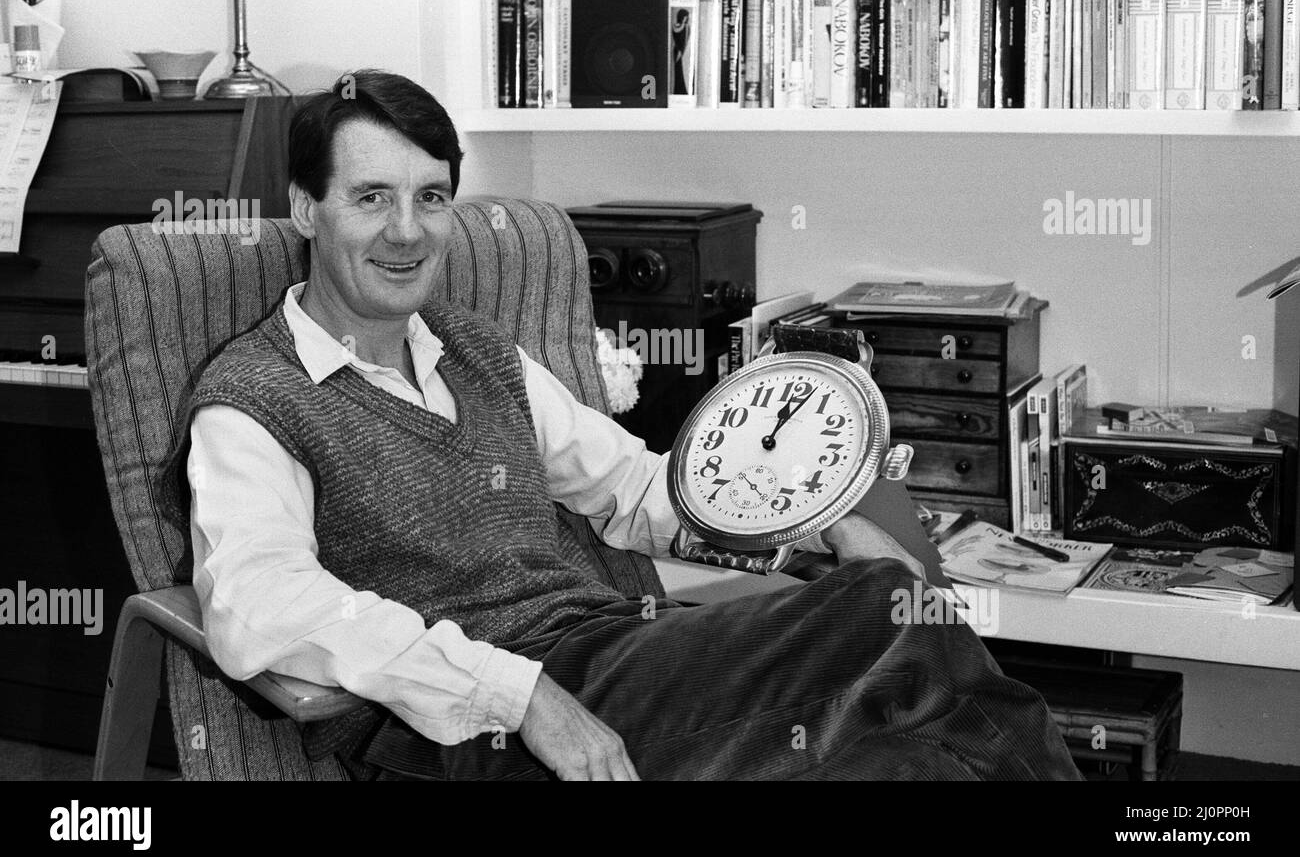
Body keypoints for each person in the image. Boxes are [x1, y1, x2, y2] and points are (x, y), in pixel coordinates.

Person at [160, 69, 1080, 781]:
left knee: (904, 758)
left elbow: (636, 489)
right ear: (304, 207)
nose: (408, 232)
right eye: (371, 198)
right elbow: (258, 606)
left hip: (608, 651)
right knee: (883, 603)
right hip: (460, 736)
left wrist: (805, 521)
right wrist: (519, 698)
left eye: (431, 197)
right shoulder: (255, 398)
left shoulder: (476, 352)